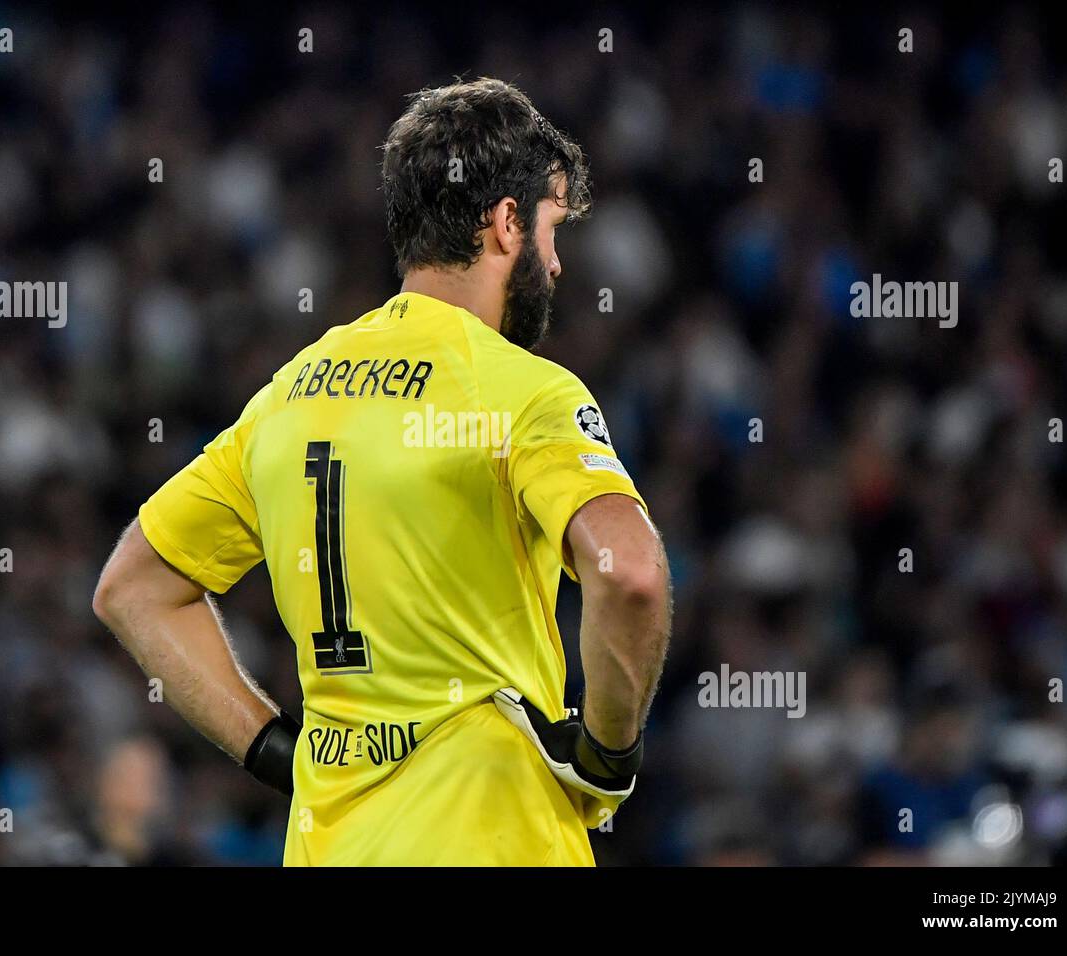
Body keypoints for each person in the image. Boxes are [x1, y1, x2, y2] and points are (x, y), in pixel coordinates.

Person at [93, 77, 671, 865]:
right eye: (550, 229)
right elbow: (629, 572)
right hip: (490, 833)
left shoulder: (288, 396)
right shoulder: (519, 389)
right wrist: (609, 757)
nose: (558, 264)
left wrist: (270, 748)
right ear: (505, 224)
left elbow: (132, 587)